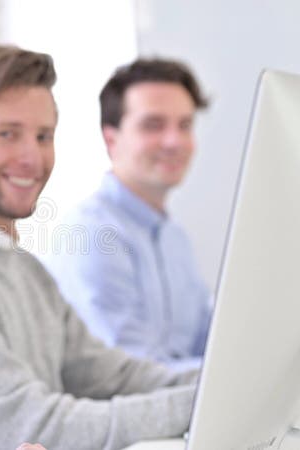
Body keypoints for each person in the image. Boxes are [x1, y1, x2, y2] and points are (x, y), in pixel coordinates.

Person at [0, 45, 198, 450]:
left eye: (43, 136)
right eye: (8, 134)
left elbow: (113, 377)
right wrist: (202, 402)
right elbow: (37, 427)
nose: (32, 157)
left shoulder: (23, 266)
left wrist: (226, 385)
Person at [45, 58, 212, 368]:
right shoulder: (91, 234)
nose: (174, 141)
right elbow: (129, 372)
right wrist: (240, 371)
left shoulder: (174, 237)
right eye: (153, 125)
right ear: (112, 140)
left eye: (185, 125)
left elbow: (209, 339)